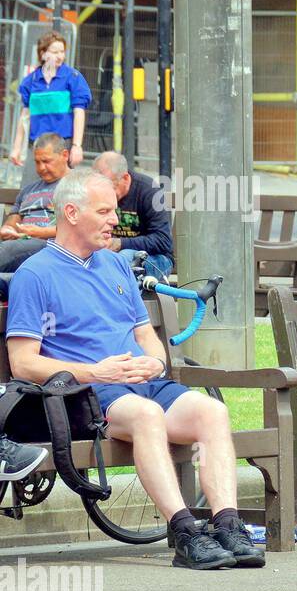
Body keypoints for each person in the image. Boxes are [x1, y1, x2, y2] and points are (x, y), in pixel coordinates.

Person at [5, 169, 262, 570]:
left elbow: (146, 336)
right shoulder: (35, 275)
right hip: (87, 394)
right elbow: (23, 363)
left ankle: (228, 524)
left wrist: (156, 361)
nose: (115, 220)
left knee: (213, 412)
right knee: (147, 416)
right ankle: (184, 532)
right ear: (71, 212)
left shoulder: (117, 266)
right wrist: (97, 372)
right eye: (105, 211)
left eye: (115, 210)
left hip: (145, 383)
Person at [9, 32, 91, 185]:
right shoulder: (30, 81)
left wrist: (76, 146)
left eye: (62, 51)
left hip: (62, 145)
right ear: (43, 53)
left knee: (62, 193)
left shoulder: (73, 77)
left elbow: (79, 112)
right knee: (28, 191)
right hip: (36, 146)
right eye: (55, 52)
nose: (60, 56)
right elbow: (25, 116)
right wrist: (16, 147)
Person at [92, 151, 174, 278]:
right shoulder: (99, 195)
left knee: (123, 258)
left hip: (156, 258)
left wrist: (119, 243)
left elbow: (163, 241)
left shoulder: (149, 191)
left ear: (125, 178)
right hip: (111, 255)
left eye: (110, 187)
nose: (105, 193)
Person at [0, 133, 72, 273]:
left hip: (53, 247)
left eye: (46, 161)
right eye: (37, 162)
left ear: (65, 155)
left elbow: (83, 227)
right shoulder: (28, 190)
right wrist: (8, 229)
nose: (41, 168)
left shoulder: (79, 184)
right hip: (20, 245)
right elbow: (13, 221)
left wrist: (41, 232)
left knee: (9, 249)